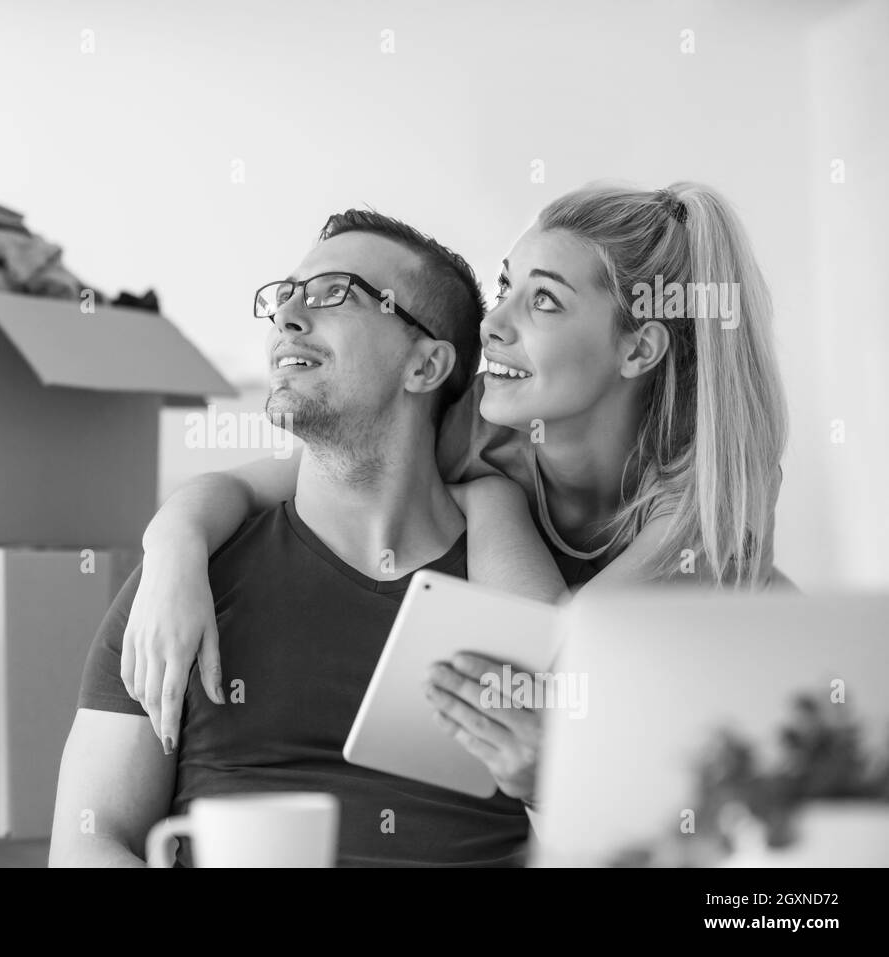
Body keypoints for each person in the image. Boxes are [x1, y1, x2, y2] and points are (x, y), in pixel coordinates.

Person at [122, 182, 789, 793]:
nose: (493, 323)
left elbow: (556, 650)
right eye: (506, 286)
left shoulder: (697, 507)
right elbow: (257, 484)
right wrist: (174, 550)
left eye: (545, 301)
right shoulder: (474, 421)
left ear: (639, 350)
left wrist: (491, 503)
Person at [49, 210, 542, 867]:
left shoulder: (509, 583)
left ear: (425, 365)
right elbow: (89, 838)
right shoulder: (186, 578)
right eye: (285, 296)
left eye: (334, 292)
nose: (287, 316)